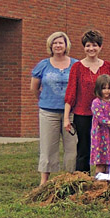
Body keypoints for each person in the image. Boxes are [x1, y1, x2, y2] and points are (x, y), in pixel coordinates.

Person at [64, 30, 110, 173]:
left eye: (94, 45)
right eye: (88, 45)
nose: (91, 49)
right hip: (83, 114)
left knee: (105, 145)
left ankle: (105, 175)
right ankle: (82, 178)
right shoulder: (77, 67)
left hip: (105, 116)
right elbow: (70, 93)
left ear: (100, 47)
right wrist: (66, 118)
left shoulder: (107, 66)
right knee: (83, 147)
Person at [31, 32, 78, 185]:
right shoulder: (43, 65)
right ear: (50, 46)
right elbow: (34, 88)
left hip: (71, 113)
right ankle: (44, 181)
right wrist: (45, 100)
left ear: (66, 46)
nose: (58, 45)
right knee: (47, 146)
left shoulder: (75, 65)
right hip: (48, 112)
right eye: (55, 43)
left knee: (72, 146)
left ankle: (70, 178)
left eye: (61, 43)